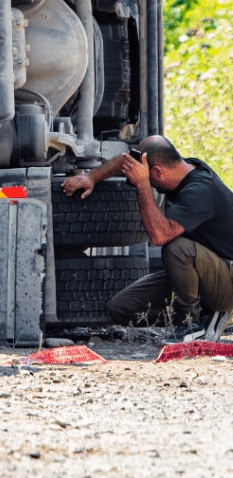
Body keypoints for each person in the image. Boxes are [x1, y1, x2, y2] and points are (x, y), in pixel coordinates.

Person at [62, 135, 233, 342]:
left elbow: (159, 236)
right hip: (204, 272)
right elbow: (126, 160)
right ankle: (207, 313)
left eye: (150, 178)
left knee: (176, 248)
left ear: (157, 172)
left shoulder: (200, 191)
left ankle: (191, 324)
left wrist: (143, 184)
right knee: (120, 309)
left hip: (227, 278)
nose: (148, 183)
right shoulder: (181, 167)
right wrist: (92, 177)